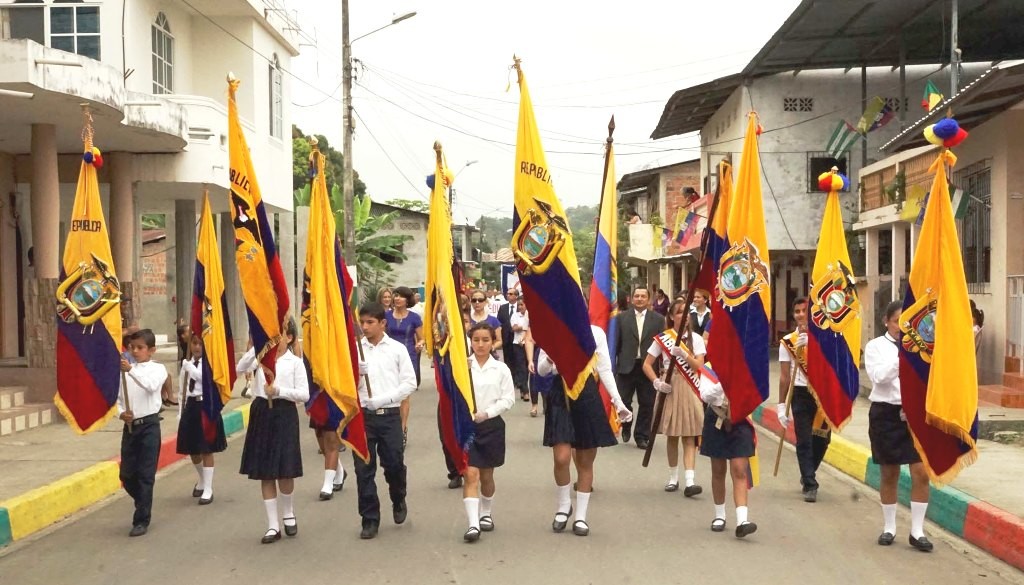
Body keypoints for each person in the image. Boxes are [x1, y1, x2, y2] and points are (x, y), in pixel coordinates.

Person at [538, 324, 631, 537]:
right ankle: (563, 506)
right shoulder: (552, 329)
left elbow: (605, 368)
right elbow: (542, 370)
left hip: (587, 394)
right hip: (560, 393)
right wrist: (551, 359)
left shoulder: (595, 333)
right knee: (561, 458)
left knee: (584, 460)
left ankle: (581, 516)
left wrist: (618, 402)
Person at [865, 300, 933, 552]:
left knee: (921, 472)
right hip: (886, 413)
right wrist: (903, 356)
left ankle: (917, 531)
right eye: (896, 322)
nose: (900, 328)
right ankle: (889, 526)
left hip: (916, 414)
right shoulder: (876, 347)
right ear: (886, 321)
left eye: (906, 323)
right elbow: (879, 377)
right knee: (890, 473)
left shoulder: (923, 349)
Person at [237, 318, 309, 544]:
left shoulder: (295, 363)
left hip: (284, 412)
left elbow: (304, 394)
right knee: (266, 470)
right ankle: (272, 525)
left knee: (285, 469)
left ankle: (288, 512)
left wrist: (279, 390)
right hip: (262, 412)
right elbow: (240, 368)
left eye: (279, 335)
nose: (275, 339)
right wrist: (257, 349)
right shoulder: (260, 359)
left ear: (289, 338)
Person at [354, 302, 418, 539]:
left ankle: (398, 496)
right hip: (363, 417)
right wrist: (355, 372)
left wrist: (383, 399)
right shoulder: (356, 350)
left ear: (383, 323)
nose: (365, 327)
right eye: (362, 322)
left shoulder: (397, 349)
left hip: (389, 415)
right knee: (363, 470)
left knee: (393, 464)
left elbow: (410, 382)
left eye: (370, 322)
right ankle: (369, 518)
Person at [641, 299, 705, 497]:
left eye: (686, 313)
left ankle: (690, 480)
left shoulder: (697, 339)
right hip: (669, 386)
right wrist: (656, 382)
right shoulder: (663, 338)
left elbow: (699, 367)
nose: (683, 317)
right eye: (679, 312)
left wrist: (684, 355)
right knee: (672, 434)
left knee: (689, 434)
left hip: (689, 386)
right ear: (671, 316)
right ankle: (673, 477)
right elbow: (647, 364)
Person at [461, 322, 516, 542]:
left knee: (486, 475)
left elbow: (508, 398)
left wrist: (488, 412)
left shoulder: (501, 369)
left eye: (485, 340)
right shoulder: (463, 367)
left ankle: (486, 512)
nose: (480, 344)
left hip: (491, 426)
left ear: (493, 342)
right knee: (470, 473)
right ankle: (473, 524)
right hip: (468, 427)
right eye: (476, 340)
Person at [777, 297, 831, 503]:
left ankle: (808, 471)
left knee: (822, 440)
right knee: (804, 440)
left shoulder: (825, 338)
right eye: (797, 311)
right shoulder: (787, 342)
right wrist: (782, 406)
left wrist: (815, 345)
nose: (800, 314)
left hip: (822, 395)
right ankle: (810, 483)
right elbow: (784, 376)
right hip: (799, 393)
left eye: (804, 311)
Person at [697, 360, 758, 538]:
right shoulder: (709, 368)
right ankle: (720, 515)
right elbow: (705, 395)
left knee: (739, 469)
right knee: (718, 470)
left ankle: (742, 520)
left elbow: (756, 391)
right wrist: (724, 382)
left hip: (740, 420)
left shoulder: (746, 365)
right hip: (717, 418)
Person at [117, 328, 169, 537]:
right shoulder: (125, 371)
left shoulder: (157, 369)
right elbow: (118, 399)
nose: (135, 351)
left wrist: (131, 370)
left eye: (140, 348)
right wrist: (121, 413)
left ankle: (141, 519)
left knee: (146, 475)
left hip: (149, 425)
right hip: (130, 427)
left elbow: (150, 386)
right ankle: (143, 501)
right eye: (132, 347)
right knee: (127, 475)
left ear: (151, 350)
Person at [611, 286, 666, 449]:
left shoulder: (658, 319)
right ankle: (627, 424)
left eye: (643, 296)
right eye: (637, 296)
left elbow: (662, 344)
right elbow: (616, 343)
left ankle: (642, 435)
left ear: (648, 299)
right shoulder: (621, 318)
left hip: (648, 366)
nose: (640, 299)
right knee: (624, 400)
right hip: (626, 365)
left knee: (647, 403)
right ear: (631, 299)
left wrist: (662, 367)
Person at [176, 333, 227, 506]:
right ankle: (202, 478)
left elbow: (202, 378)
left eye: (199, 344)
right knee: (192, 448)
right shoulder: (187, 364)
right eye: (194, 343)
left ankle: (208, 488)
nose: (197, 347)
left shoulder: (208, 363)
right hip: (191, 406)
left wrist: (189, 367)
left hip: (206, 405)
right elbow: (182, 390)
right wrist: (179, 411)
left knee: (206, 448)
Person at [386, 286, 424, 444]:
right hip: (388, 358)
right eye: (396, 296)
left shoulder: (414, 318)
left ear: (407, 300)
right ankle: (390, 428)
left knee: (404, 395)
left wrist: (420, 344)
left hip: (408, 357)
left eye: (401, 296)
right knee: (390, 393)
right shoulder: (386, 316)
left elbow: (422, 338)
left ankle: (402, 429)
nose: (397, 299)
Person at [309, 413, 348, 501]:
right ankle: (339, 471)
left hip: (334, 404)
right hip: (317, 403)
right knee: (323, 444)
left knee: (331, 441)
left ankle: (328, 485)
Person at [509, 298, 531, 402]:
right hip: (517, 344)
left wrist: (524, 327)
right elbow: (514, 328)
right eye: (519, 305)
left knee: (527, 367)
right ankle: (525, 391)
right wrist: (525, 327)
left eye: (522, 304)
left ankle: (523, 388)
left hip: (529, 344)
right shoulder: (515, 315)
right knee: (521, 367)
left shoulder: (530, 315)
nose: (520, 307)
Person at [496, 289, 519, 363]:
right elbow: (499, 323)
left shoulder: (520, 307)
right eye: (507, 294)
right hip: (506, 339)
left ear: (516, 296)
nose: (508, 295)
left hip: (517, 339)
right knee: (507, 361)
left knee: (518, 361)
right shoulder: (503, 308)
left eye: (510, 294)